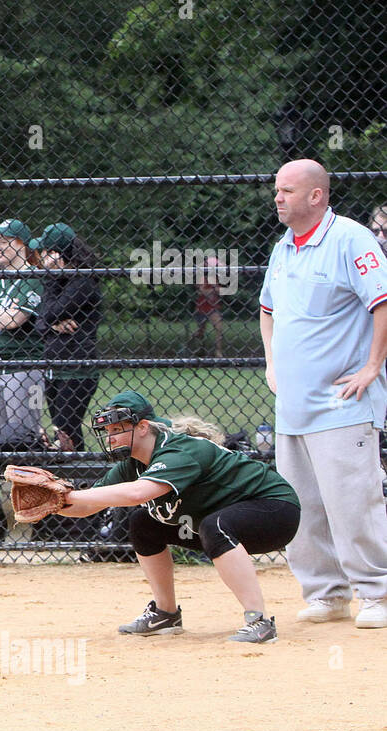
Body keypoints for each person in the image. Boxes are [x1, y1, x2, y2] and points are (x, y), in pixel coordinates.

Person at [57, 391, 301, 643]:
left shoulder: (179, 450)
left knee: (215, 525)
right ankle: (165, 613)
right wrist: (52, 504)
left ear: (142, 427)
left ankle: (259, 622)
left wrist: (72, 495)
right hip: (219, 523)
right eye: (108, 432)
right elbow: (87, 505)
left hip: (275, 511)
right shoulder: (133, 464)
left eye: (118, 429)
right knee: (143, 523)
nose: (112, 437)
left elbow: (138, 493)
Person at [260, 159, 387, 630]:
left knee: (353, 501)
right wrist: (272, 363)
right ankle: (327, 594)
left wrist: (372, 366)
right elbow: (267, 310)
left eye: (288, 190)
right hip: (293, 406)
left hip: (342, 404)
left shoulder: (351, 239)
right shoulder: (283, 249)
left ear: (316, 196)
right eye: (277, 189)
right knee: (301, 506)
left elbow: (383, 301)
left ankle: (378, 592)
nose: (278, 197)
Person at [0, 219, 45, 449]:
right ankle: (7, 486)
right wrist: (3, 315)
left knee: (25, 438)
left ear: (21, 244)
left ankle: (30, 484)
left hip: (24, 369)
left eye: (4, 241)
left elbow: (16, 320)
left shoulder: (34, 276)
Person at [31, 223, 102, 450]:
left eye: (46, 252)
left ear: (59, 252)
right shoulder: (57, 280)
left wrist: (49, 319)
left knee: (66, 427)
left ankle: (80, 475)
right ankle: (74, 474)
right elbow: (40, 322)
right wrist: (52, 326)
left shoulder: (82, 280)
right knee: (62, 429)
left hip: (77, 366)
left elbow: (51, 312)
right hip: (55, 363)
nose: (42, 257)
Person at [190, 255, 225, 358]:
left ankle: (218, 351)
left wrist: (215, 289)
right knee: (201, 331)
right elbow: (202, 291)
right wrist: (214, 289)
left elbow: (220, 291)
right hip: (202, 306)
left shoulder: (215, 277)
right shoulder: (201, 276)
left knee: (218, 327)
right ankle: (196, 346)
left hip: (213, 306)